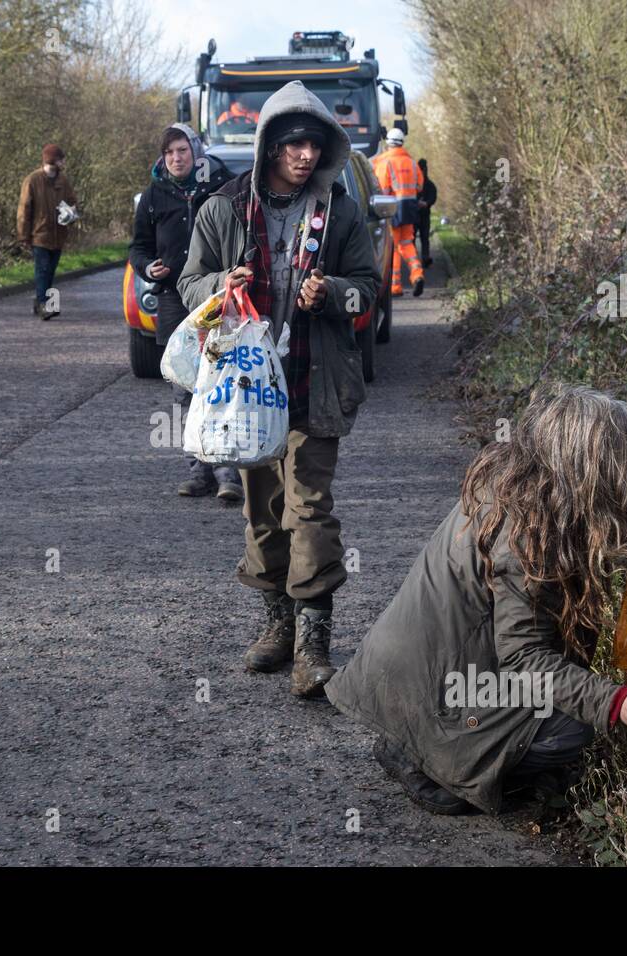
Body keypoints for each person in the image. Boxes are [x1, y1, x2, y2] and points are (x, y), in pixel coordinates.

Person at [326, 384, 627, 814]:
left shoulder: (514, 482)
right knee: (571, 729)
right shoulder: (527, 540)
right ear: (588, 465)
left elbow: (584, 498)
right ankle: (437, 773)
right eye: (616, 462)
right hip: (435, 688)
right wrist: (616, 701)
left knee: (566, 695)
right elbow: (524, 657)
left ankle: (421, 745)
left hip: (409, 675)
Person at [179, 81, 379, 699]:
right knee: (261, 508)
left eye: (314, 144)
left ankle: (314, 647)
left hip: (315, 385)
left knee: (309, 507)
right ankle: (278, 628)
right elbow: (188, 287)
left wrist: (336, 294)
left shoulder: (342, 211)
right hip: (246, 393)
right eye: (292, 142)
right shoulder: (222, 209)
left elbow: (369, 287)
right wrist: (221, 286)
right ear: (269, 145)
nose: (304, 154)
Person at [128, 124, 238, 500]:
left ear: (196, 152)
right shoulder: (154, 195)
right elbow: (138, 247)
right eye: (170, 153)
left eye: (183, 151)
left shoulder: (223, 187)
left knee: (221, 384)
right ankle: (198, 472)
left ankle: (229, 475)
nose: (176, 158)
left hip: (216, 295)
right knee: (185, 390)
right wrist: (147, 268)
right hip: (174, 299)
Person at [17, 144, 78, 319]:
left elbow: (72, 201)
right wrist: (23, 235)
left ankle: (41, 303)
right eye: (61, 159)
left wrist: (71, 214)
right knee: (42, 270)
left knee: (50, 271)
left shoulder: (63, 181)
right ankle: (45, 306)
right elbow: (24, 210)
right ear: (53, 160)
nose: (64, 162)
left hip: (58, 234)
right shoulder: (32, 180)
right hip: (40, 234)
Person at [371, 128, 424, 297]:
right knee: (407, 242)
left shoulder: (384, 163)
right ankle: (417, 275)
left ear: (388, 142)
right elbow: (419, 186)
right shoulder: (412, 163)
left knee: (392, 245)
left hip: (392, 208)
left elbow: (381, 190)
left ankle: (395, 286)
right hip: (410, 208)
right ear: (402, 142)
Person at [417, 157, 437, 267]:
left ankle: (425, 258)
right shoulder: (414, 184)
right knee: (414, 238)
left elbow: (433, 197)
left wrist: (426, 203)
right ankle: (415, 261)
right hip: (415, 214)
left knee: (425, 237)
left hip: (424, 214)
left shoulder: (429, 185)